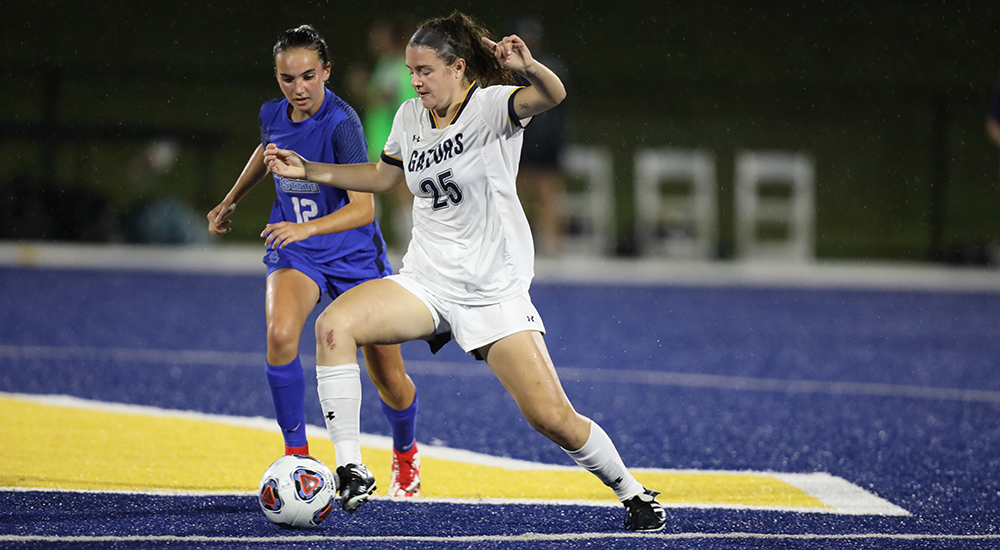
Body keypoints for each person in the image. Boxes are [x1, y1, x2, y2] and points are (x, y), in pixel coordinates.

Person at [263, 12, 666, 531]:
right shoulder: (410, 116)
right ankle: (351, 468)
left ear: (457, 67)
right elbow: (383, 178)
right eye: (411, 71)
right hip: (427, 283)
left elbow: (553, 94)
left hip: (492, 292)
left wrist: (528, 66)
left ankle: (632, 491)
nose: (415, 81)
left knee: (553, 419)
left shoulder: (494, 106)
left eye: (425, 70)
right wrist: (310, 170)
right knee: (333, 326)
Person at [206, 25, 422, 512]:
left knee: (389, 376)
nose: (298, 88)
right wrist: (231, 200)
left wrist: (307, 229)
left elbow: (364, 209)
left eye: (308, 76)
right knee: (281, 333)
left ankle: (406, 452)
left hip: (351, 255)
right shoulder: (272, 113)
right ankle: (297, 459)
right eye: (287, 79)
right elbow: (266, 156)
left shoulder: (342, 123)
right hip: (296, 250)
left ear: (326, 71)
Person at [509, 16, 569, 257]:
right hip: (522, 139)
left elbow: (562, 109)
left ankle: (550, 245)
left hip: (542, 142)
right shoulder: (511, 70)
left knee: (546, 194)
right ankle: (517, 245)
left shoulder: (550, 68)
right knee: (515, 196)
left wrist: (558, 140)